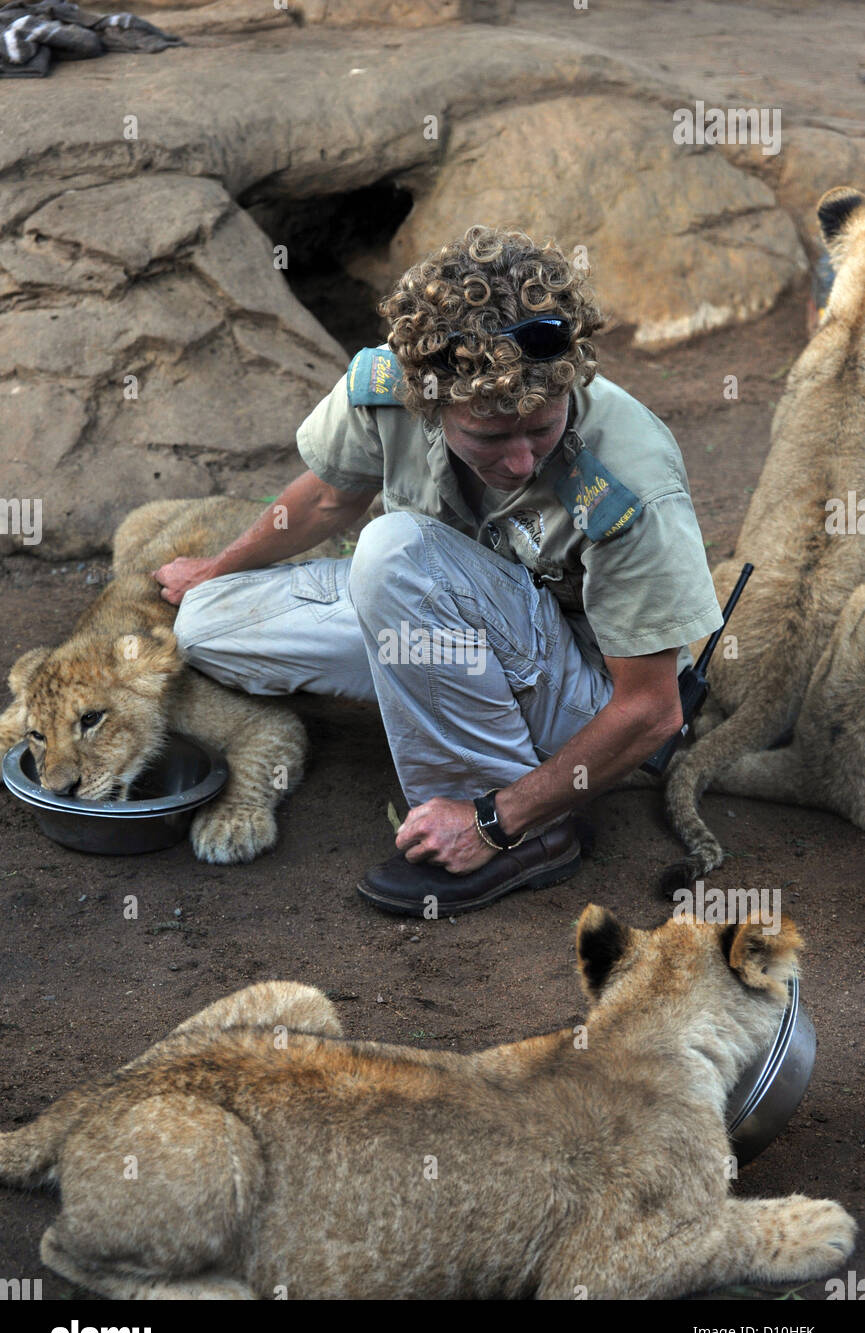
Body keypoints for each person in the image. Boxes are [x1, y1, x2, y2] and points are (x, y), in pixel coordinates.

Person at [155, 225, 723, 916]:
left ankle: (518, 829)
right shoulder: (391, 384)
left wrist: (495, 818)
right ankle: (441, 701)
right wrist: (213, 569)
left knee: (393, 552)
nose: (519, 461)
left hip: (579, 694)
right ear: (427, 400)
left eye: (540, 428)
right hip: (441, 620)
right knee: (206, 623)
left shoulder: (630, 474)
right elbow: (330, 496)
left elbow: (651, 710)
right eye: (488, 435)